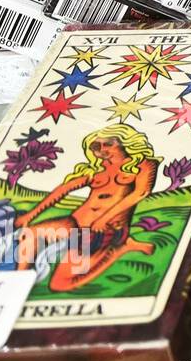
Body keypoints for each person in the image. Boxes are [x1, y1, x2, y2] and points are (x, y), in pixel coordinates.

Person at [13, 123, 159, 291]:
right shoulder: (96, 169)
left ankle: (121, 249)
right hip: (75, 222)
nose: (102, 149)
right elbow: (63, 190)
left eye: (108, 144)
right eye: (97, 146)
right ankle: (18, 282)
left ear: (125, 142)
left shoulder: (144, 164)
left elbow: (140, 193)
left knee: (58, 284)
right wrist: (30, 216)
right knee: (31, 233)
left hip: (106, 228)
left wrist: (103, 218)